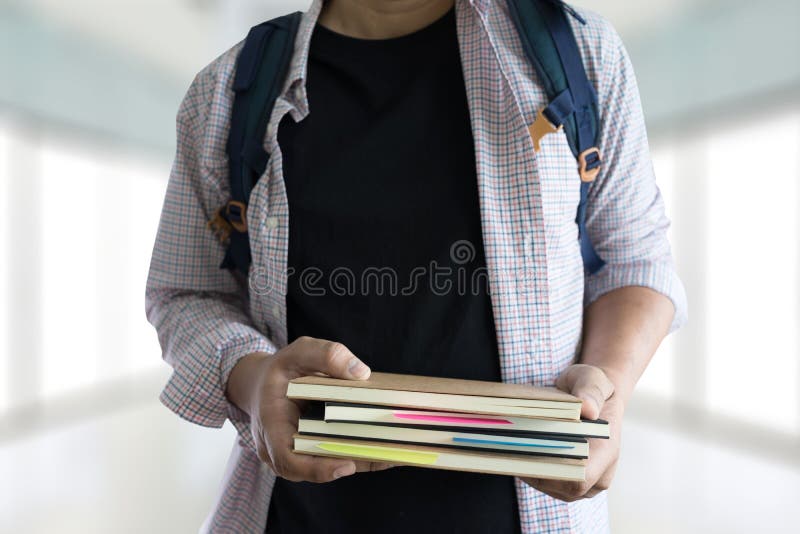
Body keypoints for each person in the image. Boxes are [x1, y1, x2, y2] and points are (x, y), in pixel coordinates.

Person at [146, 0, 687, 532]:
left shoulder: (577, 54)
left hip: (534, 511)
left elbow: (635, 258)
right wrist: (253, 375)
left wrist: (607, 388)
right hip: (298, 512)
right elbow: (185, 294)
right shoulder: (226, 95)